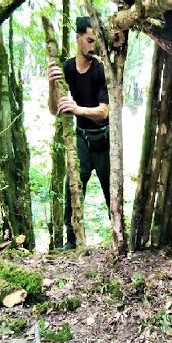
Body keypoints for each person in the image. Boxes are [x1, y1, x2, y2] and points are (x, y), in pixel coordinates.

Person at [48, 15, 110, 250]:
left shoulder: (100, 70)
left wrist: (77, 109)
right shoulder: (67, 69)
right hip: (82, 139)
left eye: (96, 41)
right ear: (78, 38)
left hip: (104, 139)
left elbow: (104, 112)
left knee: (110, 191)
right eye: (90, 40)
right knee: (72, 186)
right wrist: (52, 83)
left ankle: (119, 237)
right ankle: (71, 241)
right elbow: (55, 109)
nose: (93, 46)